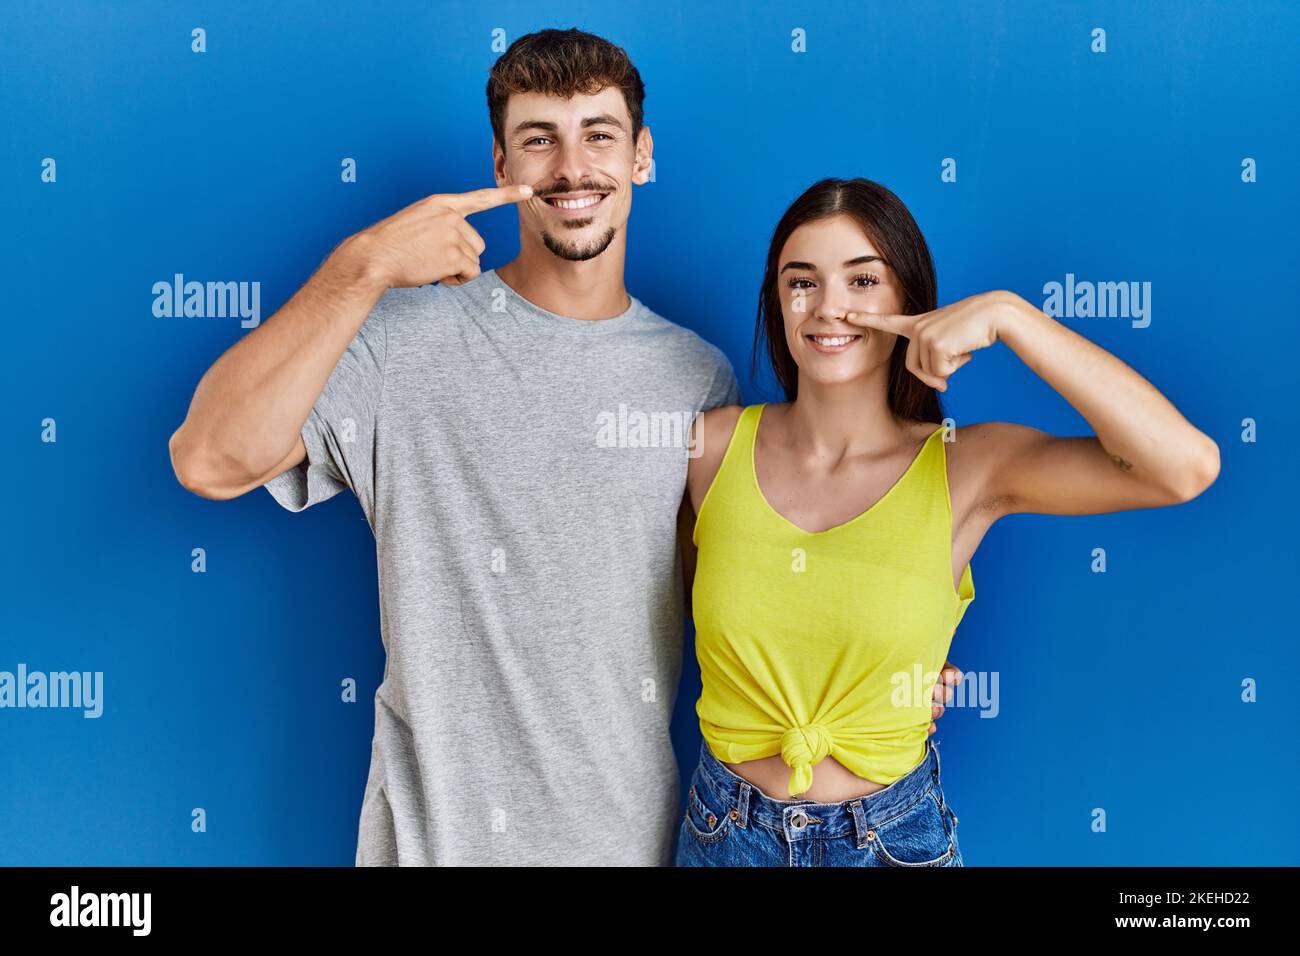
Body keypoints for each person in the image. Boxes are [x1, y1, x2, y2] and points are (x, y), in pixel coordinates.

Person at [166, 27, 962, 866]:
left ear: (641, 155)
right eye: (539, 140)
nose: (572, 168)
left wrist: (891, 668)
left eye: (599, 135)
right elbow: (208, 458)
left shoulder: (698, 380)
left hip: (640, 844)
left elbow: (741, 601)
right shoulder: (396, 345)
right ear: (502, 166)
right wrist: (360, 267)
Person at [675, 177, 1220, 867]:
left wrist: (1012, 316)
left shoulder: (969, 466)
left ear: (910, 302)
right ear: (778, 303)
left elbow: (1184, 466)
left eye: (863, 280)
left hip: (888, 842)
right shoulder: (709, 447)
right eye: (801, 282)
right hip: (723, 833)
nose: (829, 307)